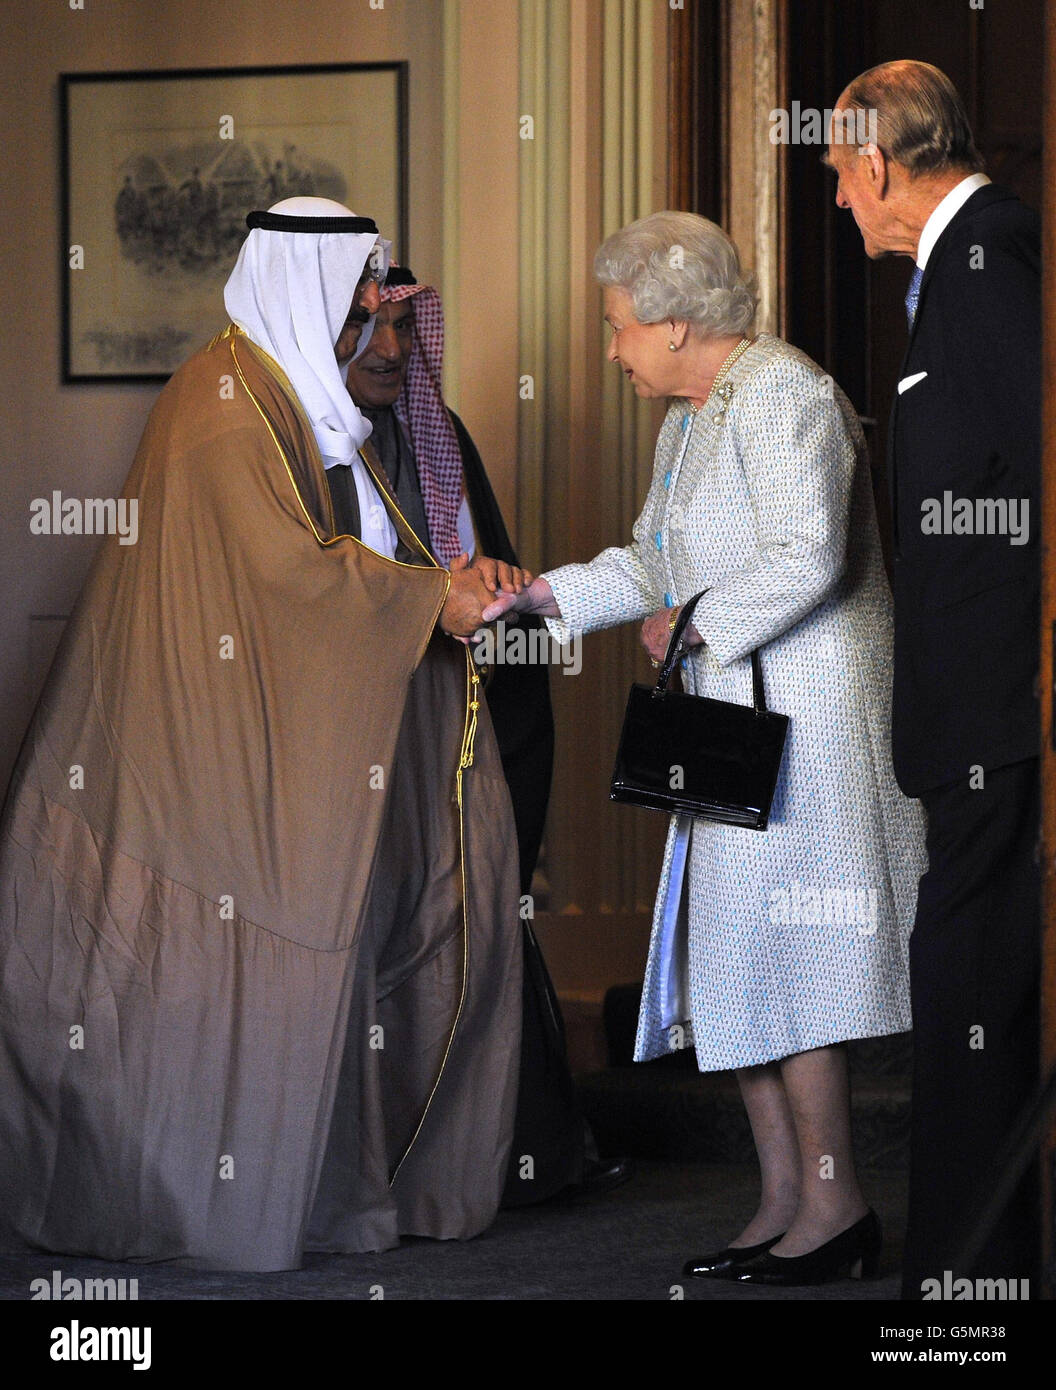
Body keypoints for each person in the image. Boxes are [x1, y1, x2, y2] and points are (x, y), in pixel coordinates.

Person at [0, 197, 529, 1271]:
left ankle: (350, 1191)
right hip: (176, 781)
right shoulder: (225, 405)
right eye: (352, 313)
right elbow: (288, 578)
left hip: (270, 763)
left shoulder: (298, 402)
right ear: (301, 296)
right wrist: (433, 599)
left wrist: (445, 588)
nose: (368, 337)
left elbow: (347, 555)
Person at [487, 211, 928, 1285]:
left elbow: (810, 555)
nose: (610, 346)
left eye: (620, 326)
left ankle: (836, 1207)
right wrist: (541, 596)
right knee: (738, 961)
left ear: (678, 324)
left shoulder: (785, 393)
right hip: (734, 730)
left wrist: (693, 621)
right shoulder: (688, 418)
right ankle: (783, 1200)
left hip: (808, 732)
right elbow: (649, 560)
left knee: (802, 968)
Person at [346, 264, 631, 1205]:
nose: (394, 351)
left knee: (484, 919)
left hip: (469, 731)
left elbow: (494, 595)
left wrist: (492, 590)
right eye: (368, 328)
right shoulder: (292, 448)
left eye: (403, 327)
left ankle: (507, 1157)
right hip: (360, 749)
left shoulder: (438, 433)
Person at [826, 61, 1041, 1298]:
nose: (842, 208)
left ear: (880, 166)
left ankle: (969, 1276)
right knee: (963, 973)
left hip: (1003, 703)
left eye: (841, 183)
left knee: (971, 976)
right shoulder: (948, 268)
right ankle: (969, 1265)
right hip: (970, 709)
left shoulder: (986, 251)